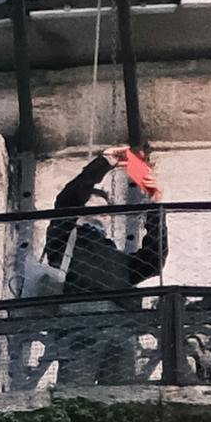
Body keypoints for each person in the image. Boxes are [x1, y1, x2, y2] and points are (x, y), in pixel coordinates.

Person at [39, 146, 166, 382]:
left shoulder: (116, 255)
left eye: (105, 210)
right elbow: (68, 200)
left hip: (121, 322)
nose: (99, 211)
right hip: (81, 317)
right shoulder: (63, 237)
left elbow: (153, 260)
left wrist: (154, 207)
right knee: (76, 390)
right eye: (91, 205)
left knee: (122, 394)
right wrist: (104, 163)